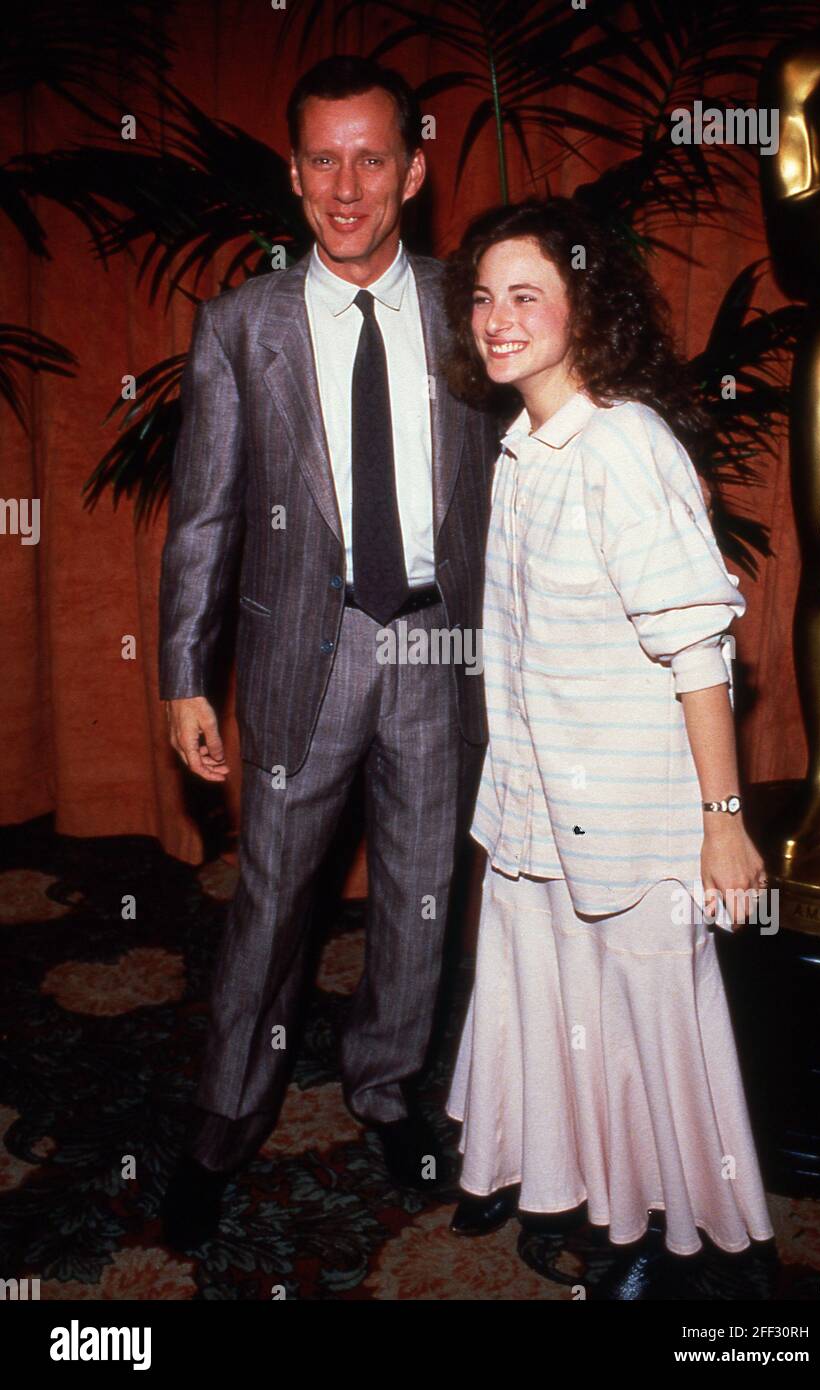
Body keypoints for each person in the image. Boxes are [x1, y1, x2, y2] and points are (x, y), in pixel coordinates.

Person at [157, 55, 497, 1251]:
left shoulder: (475, 310)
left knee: (419, 895)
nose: (345, 187)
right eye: (321, 161)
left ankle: (387, 1091)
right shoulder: (240, 327)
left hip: (440, 646)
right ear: (293, 174)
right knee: (271, 904)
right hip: (311, 650)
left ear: (413, 167)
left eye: (370, 158)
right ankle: (220, 1125)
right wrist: (184, 674)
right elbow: (203, 516)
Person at [441, 197, 776, 1298]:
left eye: (525, 295)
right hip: (538, 805)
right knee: (557, 1010)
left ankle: (698, 1247)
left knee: (652, 1039)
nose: (497, 318)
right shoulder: (525, 444)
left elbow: (695, 646)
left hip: (636, 816)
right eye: (484, 297)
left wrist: (722, 827)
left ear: (589, 308)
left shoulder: (622, 445)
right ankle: (582, 1191)